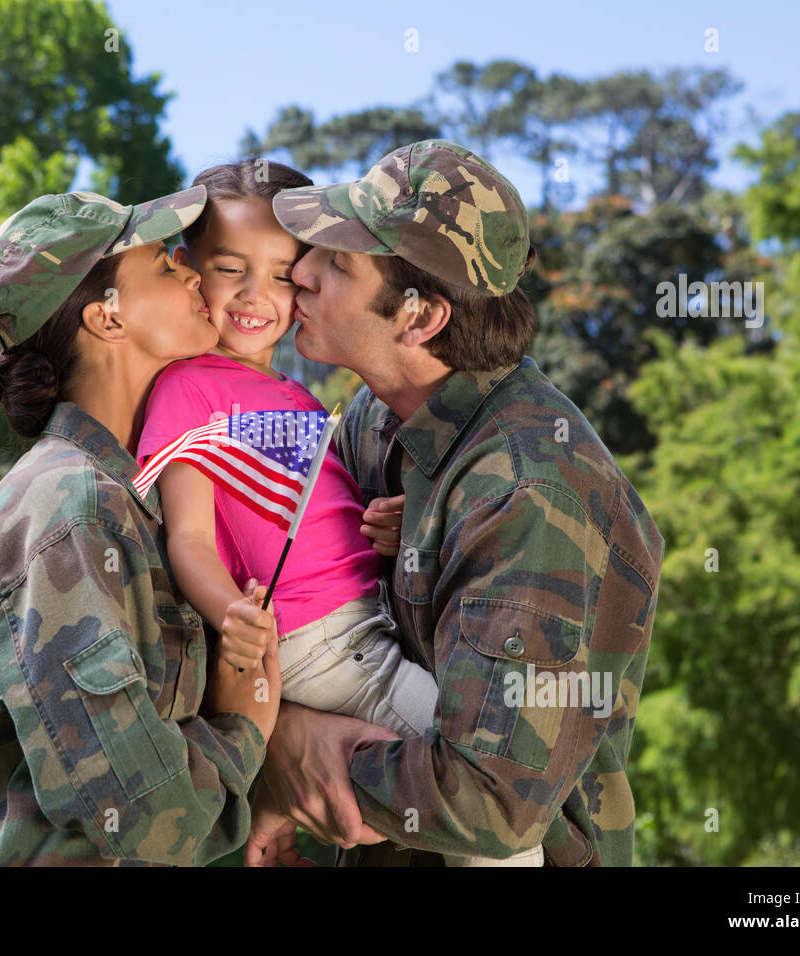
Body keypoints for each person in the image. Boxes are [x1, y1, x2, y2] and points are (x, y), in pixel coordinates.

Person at [244, 139, 665, 867]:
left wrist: (286, 746)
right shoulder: (376, 420)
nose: (301, 271)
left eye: (339, 263)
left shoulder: (528, 491)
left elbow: (488, 801)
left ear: (420, 318)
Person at [0, 186, 281, 866]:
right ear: (107, 316)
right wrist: (243, 729)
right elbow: (144, 820)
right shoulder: (72, 505)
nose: (193, 270)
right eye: (163, 264)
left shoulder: (138, 494)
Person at [136, 160, 437, 740]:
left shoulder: (293, 394)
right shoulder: (188, 387)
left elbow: (316, 514)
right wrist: (232, 614)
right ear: (187, 268)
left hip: (367, 616)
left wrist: (382, 530)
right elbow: (191, 536)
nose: (257, 296)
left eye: (282, 276)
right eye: (230, 268)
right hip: (317, 635)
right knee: (466, 740)